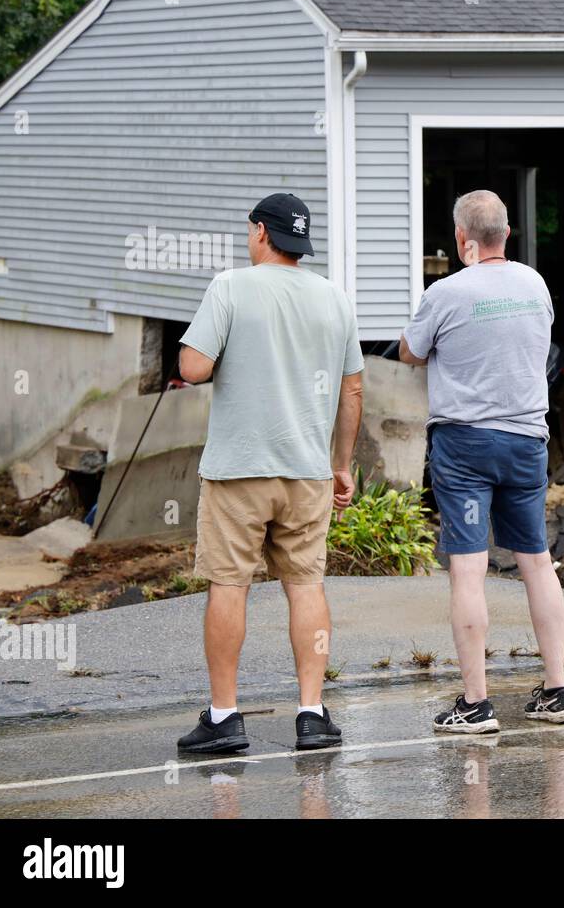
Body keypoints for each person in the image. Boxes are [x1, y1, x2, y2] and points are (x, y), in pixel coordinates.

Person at [176, 192, 364, 753]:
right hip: (307, 470)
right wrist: (341, 463)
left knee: (229, 585)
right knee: (305, 584)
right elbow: (353, 387)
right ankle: (311, 714)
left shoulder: (231, 287)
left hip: (239, 470)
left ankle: (225, 717)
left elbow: (193, 368)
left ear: (261, 232)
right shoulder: (335, 297)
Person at [400, 189, 564, 734]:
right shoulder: (536, 284)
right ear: (507, 235)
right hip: (528, 442)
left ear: (462, 239)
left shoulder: (446, 292)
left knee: (469, 568)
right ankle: (556, 690)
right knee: (536, 562)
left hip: (466, 447)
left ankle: (476, 704)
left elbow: (410, 352)